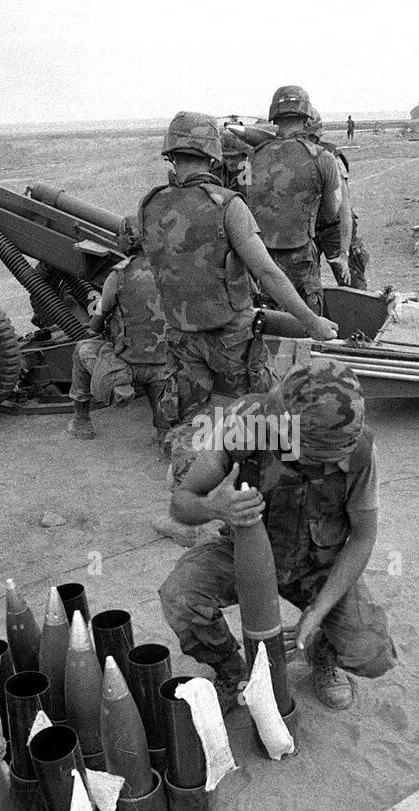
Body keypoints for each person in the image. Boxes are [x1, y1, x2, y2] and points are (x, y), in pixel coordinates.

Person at [159, 358, 397, 712]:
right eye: (318, 456)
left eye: (336, 458)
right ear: (285, 427)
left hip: (319, 564)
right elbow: (181, 504)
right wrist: (216, 507)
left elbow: (362, 538)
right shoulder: (243, 426)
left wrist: (316, 614)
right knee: (180, 595)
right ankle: (230, 670)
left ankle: (322, 653)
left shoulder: (358, 447)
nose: (329, 467)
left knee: (373, 654)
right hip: (244, 554)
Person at [138, 111, 337, 534]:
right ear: (212, 156)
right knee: (266, 417)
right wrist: (312, 321)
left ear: (173, 154)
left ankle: (185, 518)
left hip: (180, 337)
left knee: (191, 424)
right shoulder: (227, 206)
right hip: (232, 338)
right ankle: (277, 508)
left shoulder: (151, 204)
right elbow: (267, 273)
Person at [245, 86, 351, 312]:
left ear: (275, 116)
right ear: (306, 115)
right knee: (308, 323)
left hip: (261, 258)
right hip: (301, 257)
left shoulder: (253, 157)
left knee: (268, 322)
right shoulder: (322, 158)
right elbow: (332, 210)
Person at [66, 217, 169, 445]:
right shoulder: (170, 271)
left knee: (82, 350)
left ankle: (82, 422)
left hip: (127, 364)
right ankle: (164, 434)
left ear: (124, 242)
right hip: (165, 364)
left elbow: (97, 323)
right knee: (163, 398)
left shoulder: (119, 275)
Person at [304, 113, 369, 290]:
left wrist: (344, 253)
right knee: (307, 287)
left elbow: (344, 210)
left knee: (353, 288)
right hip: (309, 230)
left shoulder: (330, 156)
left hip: (335, 228)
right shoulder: (295, 158)